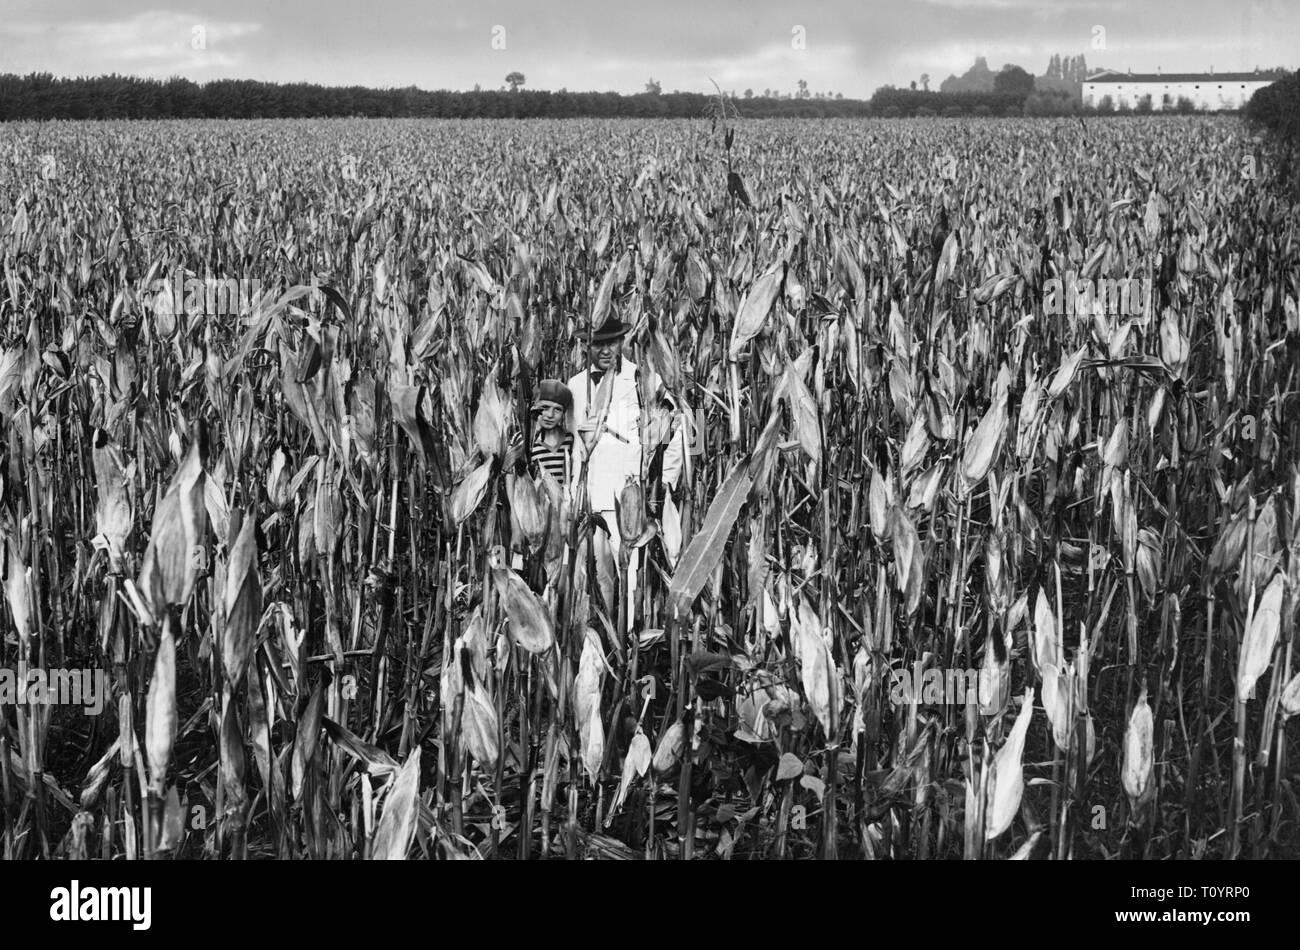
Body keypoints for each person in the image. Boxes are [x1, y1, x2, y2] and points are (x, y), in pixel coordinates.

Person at [567, 317, 685, 618]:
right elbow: (572, 446)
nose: (606, 350)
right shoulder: (576, 385)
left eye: (612, 342)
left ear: (622, 343)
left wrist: (666, 482)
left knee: (631, 574)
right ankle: (609, 635)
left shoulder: (644, 378)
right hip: (590, 494)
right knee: (600, 572)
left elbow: (678, 431)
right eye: (598, 344)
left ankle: (632, 636)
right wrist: (571, 493)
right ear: (586, 345)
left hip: (630, 495)